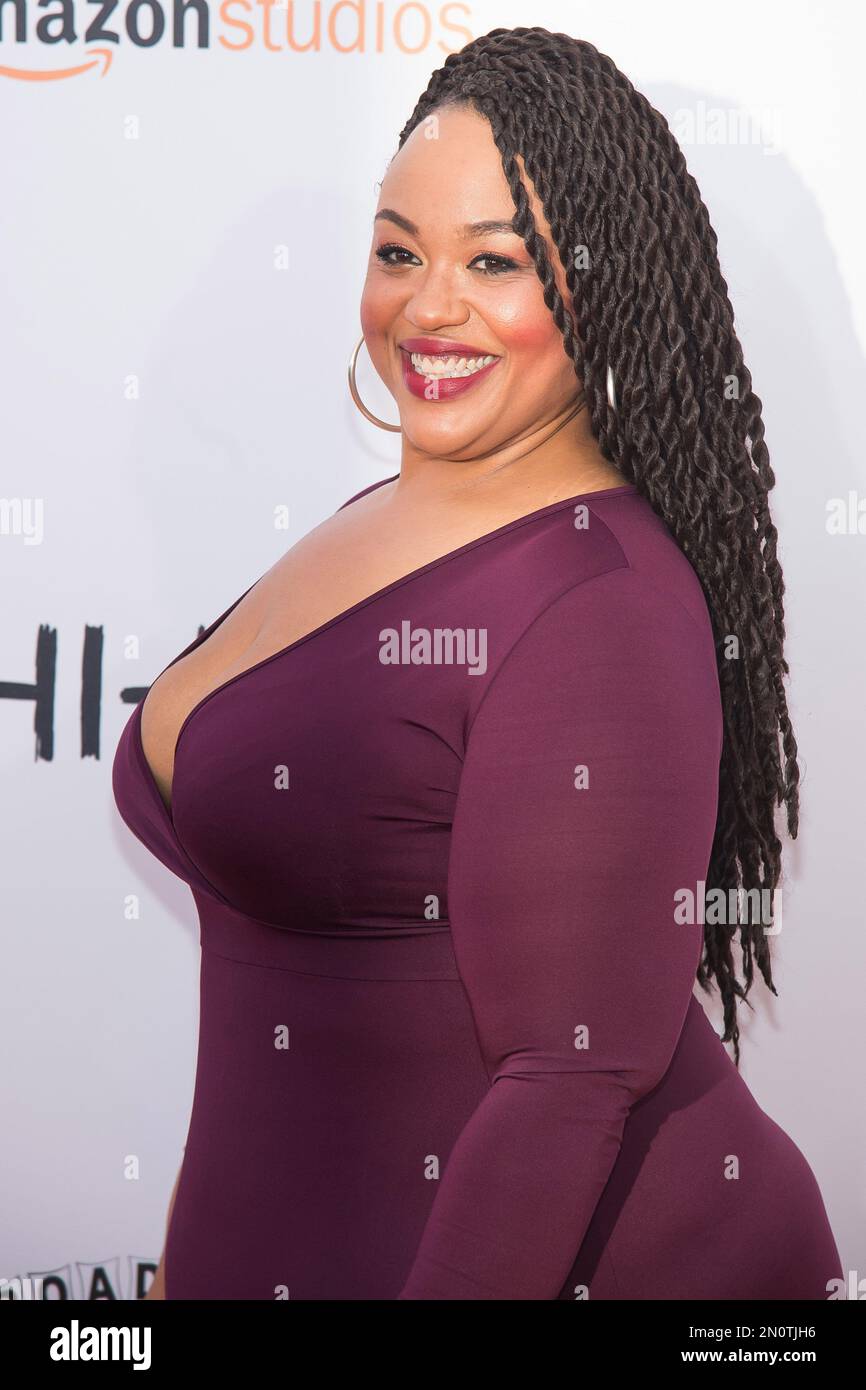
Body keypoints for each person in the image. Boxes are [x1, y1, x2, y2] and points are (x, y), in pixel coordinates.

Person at [114, 27, 842, 1299]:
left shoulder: (597, 603)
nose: (427, 306)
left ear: (594, 292)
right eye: (398, 250)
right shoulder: (369, 524)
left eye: (493, 261)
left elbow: (564, 1083)